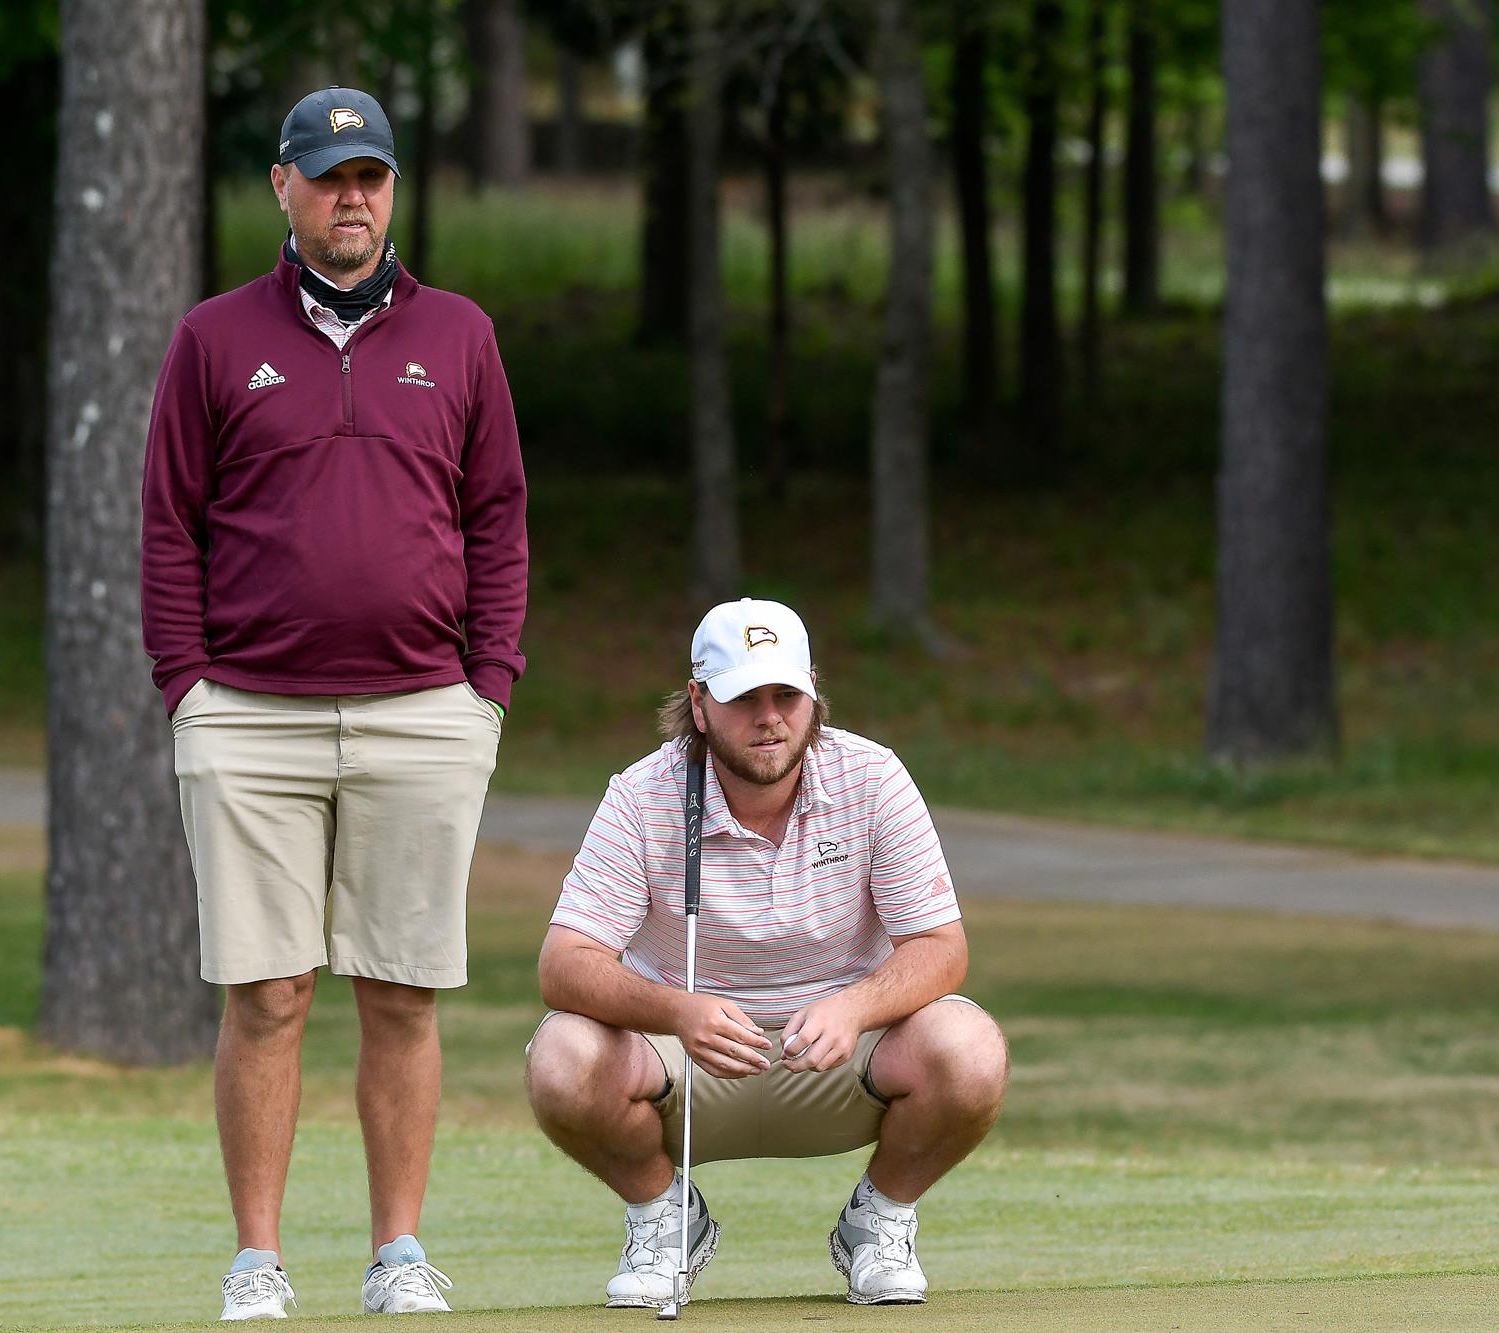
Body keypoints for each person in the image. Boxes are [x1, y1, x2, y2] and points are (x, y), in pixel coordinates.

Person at [139, 85, 527, 1321]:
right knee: (267, 994)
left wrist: (487, 689)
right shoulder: (213, 338)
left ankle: (396, 1252)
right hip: (248, 716)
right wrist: (186, 689)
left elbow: (496, 518)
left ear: (391, 189)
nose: (350, 199)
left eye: (369, 178)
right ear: (283, 186)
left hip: (424, 712)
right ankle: (256, 1259)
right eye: (327, 178)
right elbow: (169, 524)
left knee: (400, 991)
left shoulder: (458, 334)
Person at [525, 598, 1007, 1309]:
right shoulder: (642, 794)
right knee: (561, 1056)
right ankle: (663, 1218)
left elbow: (941, 947)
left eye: (787, 694)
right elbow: (563, 962)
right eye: (744, 698)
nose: (770, 717)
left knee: (971, 1047)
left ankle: (879, 1222)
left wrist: (856, 1005)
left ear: (813, 694)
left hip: (842, 1055)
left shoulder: (872, 776)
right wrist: (677, 1010)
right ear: (698, 704)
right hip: (686, 1063)